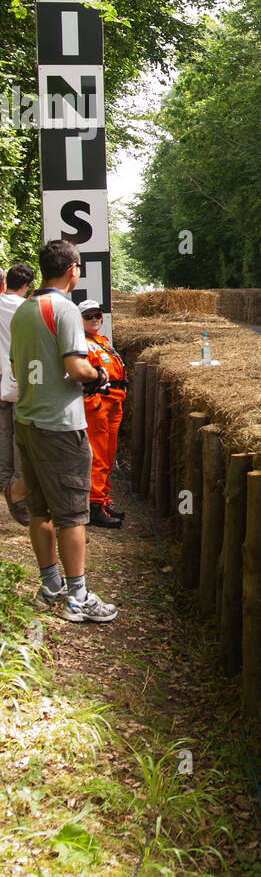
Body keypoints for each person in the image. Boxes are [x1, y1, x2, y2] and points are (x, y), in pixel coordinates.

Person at [9, 240, 118, 623]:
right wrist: (98, 374)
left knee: (39, 509)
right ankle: (78, 596)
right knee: (73, 512)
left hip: (27, 422)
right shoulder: (64, 309)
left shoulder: (23, 309)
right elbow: (75, 367)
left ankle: (51, 584)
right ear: (73, 269)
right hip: (60, 425)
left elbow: (20, 368)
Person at [79, 299, 127, 528]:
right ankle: (94, 505)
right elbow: (80, 376)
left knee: (108, 454)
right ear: (79, 320)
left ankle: (102, 499)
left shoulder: (102, 341)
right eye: (89, 316)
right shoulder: (81, 343)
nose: (95, 320)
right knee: (97, 455)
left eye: (98, 315)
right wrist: (93, 400)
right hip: (98, 403)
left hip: (115, 402)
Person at [0, 262, 35, 526]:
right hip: (19, 380)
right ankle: (16, 493)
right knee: (20, 438)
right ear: (26, 285)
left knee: (4, 435)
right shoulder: (27, 309)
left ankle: (7, 484)